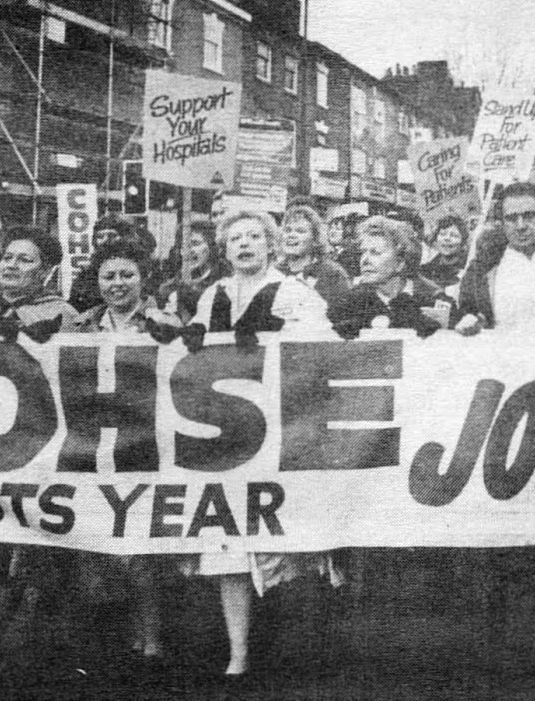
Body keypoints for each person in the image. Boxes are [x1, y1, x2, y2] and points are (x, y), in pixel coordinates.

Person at [185, 210, 333, 683]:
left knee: (283, 540)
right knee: (229, 540)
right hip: (228, 434)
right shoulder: (213, 295)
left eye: (254, 237)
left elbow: (321, 352)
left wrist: (275, 341)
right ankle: (239, 651)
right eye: (235, 239)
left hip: (281, 430)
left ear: (271, 245)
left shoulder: (295, 294)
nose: (244, 245)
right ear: (223, 249)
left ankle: (293, 649)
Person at [64, 241, 181, 666]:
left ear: (142, 278)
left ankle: (150, 637)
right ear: (96, 282)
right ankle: (106, 639)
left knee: (141, 546)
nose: (117, 284)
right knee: (94, 541)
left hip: (145, 443)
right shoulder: (79, 326)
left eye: (126, 275)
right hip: (92, 444)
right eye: (108, 276)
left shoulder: (165, 322)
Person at [455, 181, 535, 335]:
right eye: (511, 218)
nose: (521, 226)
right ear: (502, 222)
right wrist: (470, 320)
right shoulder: (482, 268)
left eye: (529, 216)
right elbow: (467, 311)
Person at [328, 216, 442, 338]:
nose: (364, 260)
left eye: (375, 253)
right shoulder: (349, 303)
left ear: (400, 262)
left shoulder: (433, 298)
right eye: (363, 252)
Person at [0, 226, 80, 332]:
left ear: (45, 271)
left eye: (25, 260)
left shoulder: (62, 314)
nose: (11, 265)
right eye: (7, 258)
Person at [277, 203, 353, 305]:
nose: (291, 235)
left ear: (315, 239)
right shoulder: (274, 272)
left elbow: (345, 315)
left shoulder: (333, 275)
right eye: (287, 230)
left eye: (300, 231)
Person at [155, 217, 226, 323]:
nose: (188, 251)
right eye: (183, 245)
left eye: (195, 243)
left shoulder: (226, 284)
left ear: (211, 247)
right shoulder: (167, 289)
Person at [66, 212, 138, 312]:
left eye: (112, 235)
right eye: (100, 236)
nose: (105, 240)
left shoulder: (138, 269)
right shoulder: (85, 275)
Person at [417, 214, 470, 291]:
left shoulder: (465, 269)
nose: (447, 238)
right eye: (442, 234)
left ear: (462, 242)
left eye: (454, 235)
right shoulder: (427, 268)